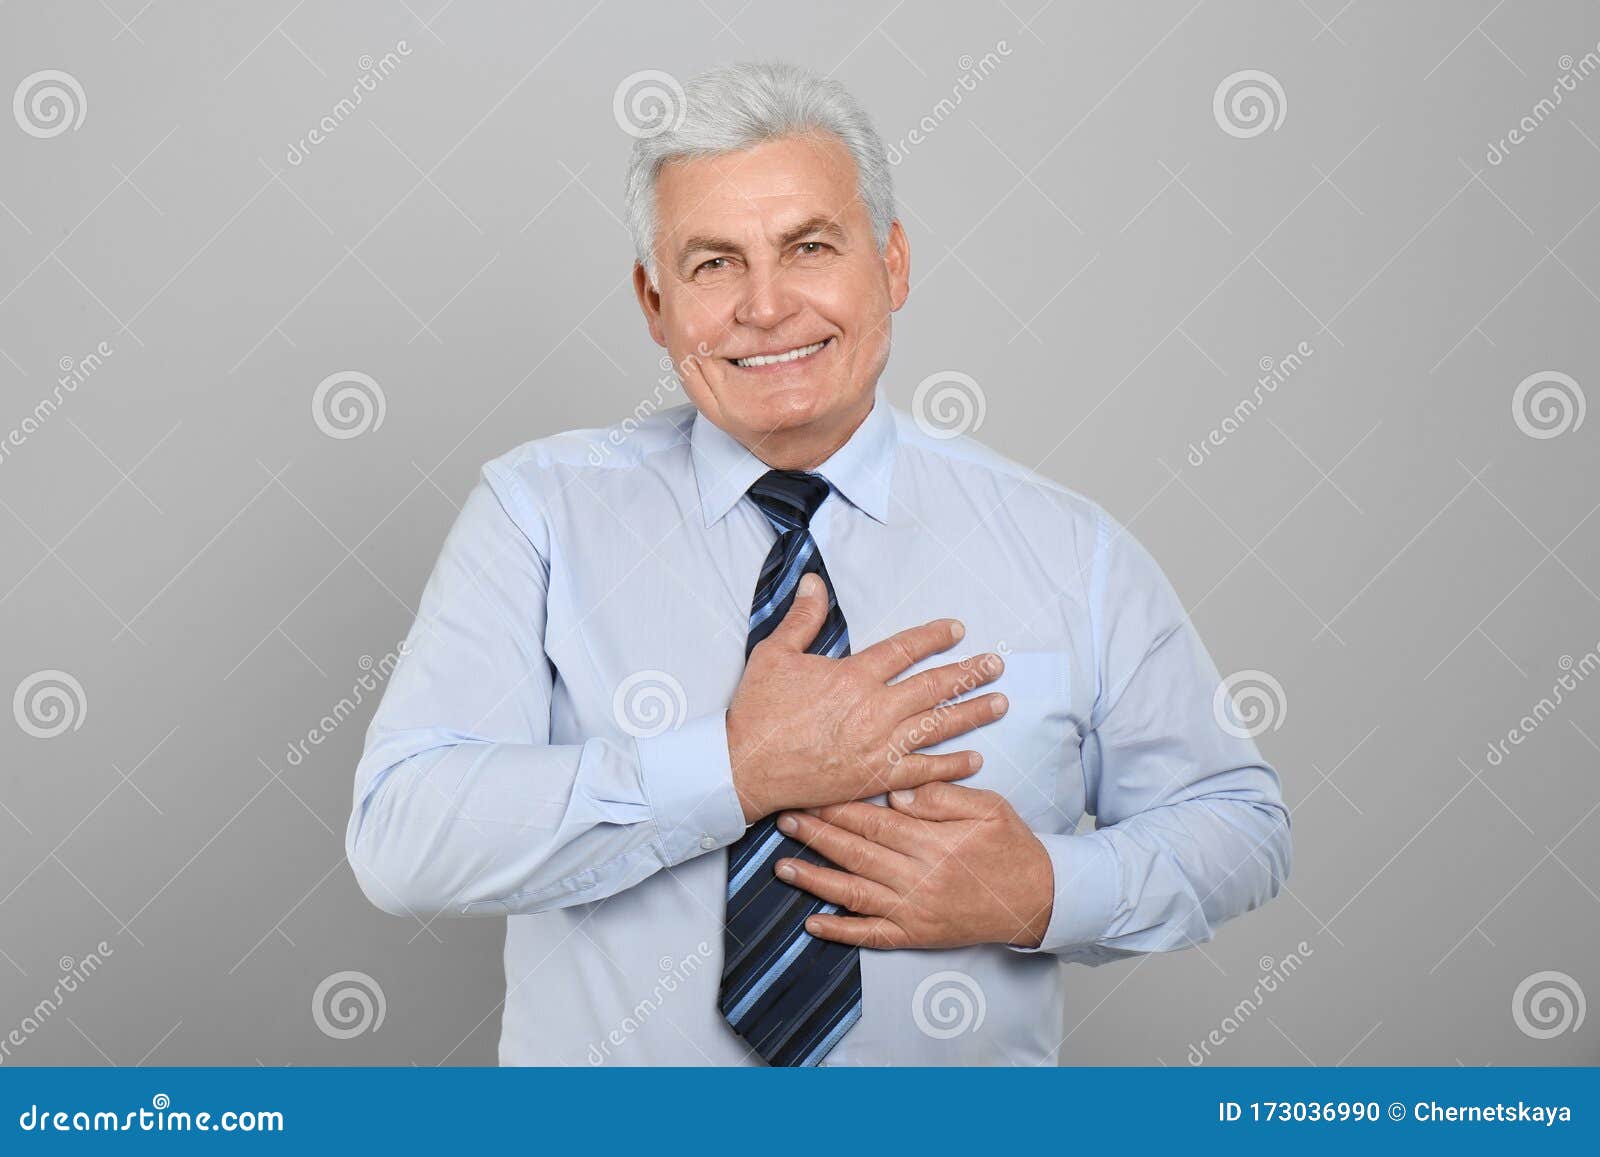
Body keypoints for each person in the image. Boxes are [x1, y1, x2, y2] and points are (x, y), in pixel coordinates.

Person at [345, 60, 1291, 1066]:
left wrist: (1045, 890)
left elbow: (1238, 824)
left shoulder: (1067, 546)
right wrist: (733, 769)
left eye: (808, 247)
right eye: (712, 264)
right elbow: (403, 838)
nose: (764, 305)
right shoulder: (537, 514)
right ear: (654, 302)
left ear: (891, 264)